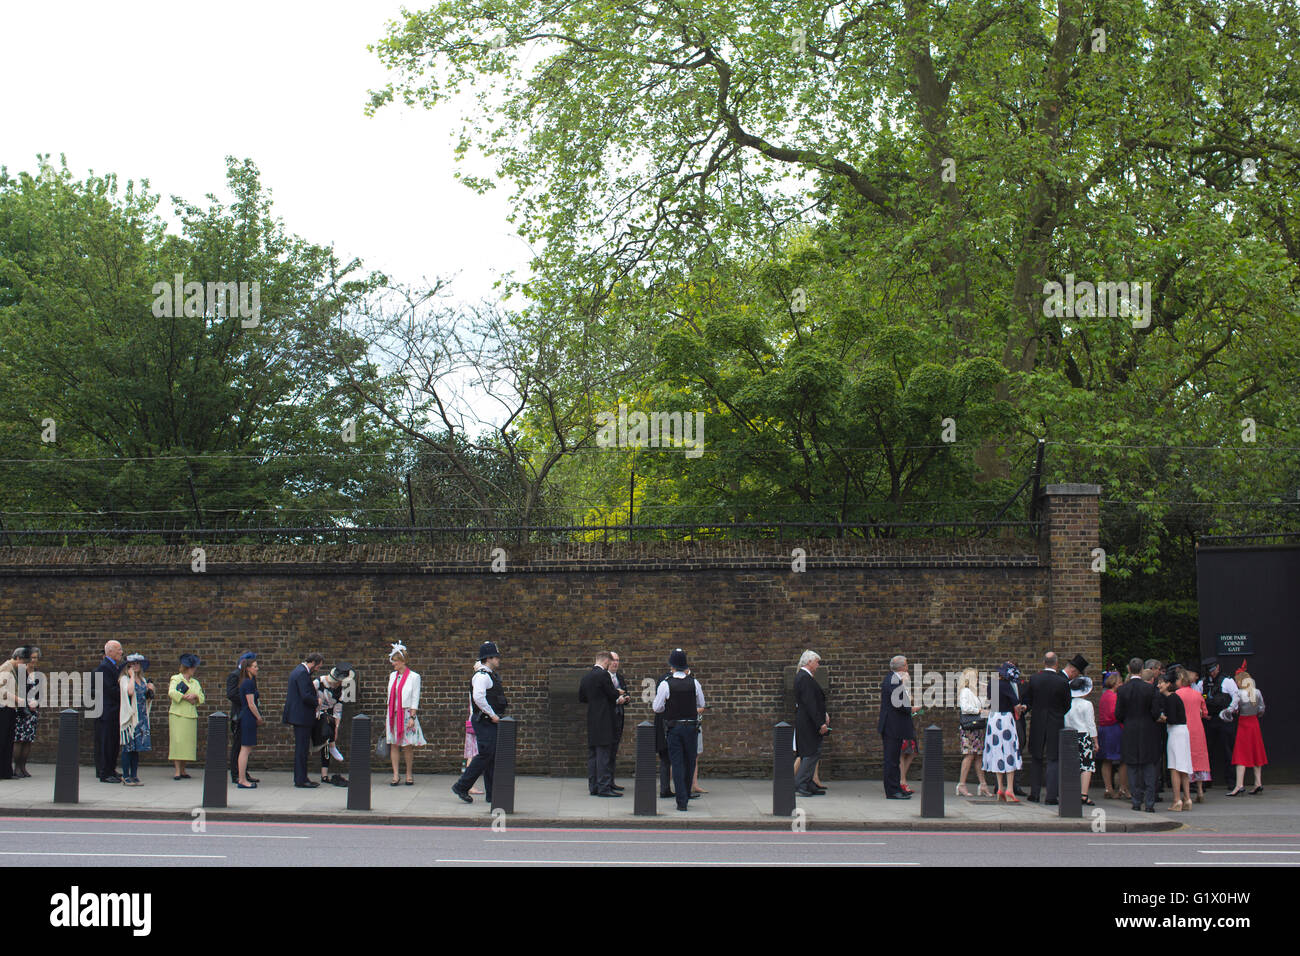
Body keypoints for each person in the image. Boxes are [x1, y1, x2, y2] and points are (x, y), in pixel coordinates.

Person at [453, 641, 507, 804]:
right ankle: (462, 786)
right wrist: (492, 714)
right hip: (484, 721)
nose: (498, 659)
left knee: (491, 756)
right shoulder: (482, 677)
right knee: (485, 754)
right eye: (496, 657)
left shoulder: (489, 675)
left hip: (487, 721)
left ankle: (492, 793)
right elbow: (478, 697)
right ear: (488, 658)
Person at [651, 648, 705, 812]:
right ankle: (686, 795)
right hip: (691, 727)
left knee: (677, 762)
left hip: (674, 728)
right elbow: (701, 703)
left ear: (672, 665)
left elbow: (657, 708)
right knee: (690, 761)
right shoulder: (694, 682)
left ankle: (681, 801)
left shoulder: (666, 684)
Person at [1023, 651, 1072, 804]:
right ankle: (1051, 796)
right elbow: (1067, 705)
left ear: (1044, 663)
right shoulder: (1062, 682)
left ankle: (1035, 793)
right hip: (1055, 722)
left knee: (1036, 757)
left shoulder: (1035, 679)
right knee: (1053, 758)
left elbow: (1028, 701)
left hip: (1038, 721)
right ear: (1056, 664)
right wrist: (1057, 714)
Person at [1115, 658, 1161, 812]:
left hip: (1130, 729)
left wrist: (1128, 720)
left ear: (1129, 669)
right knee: (1148, 765)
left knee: (1132, 766)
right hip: (1148, 729)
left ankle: (1136, 801)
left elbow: (1118, 714)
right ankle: (1149, 803)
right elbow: (1155, 713)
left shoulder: (1122, 690)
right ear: (1142, 670)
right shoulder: (1150, 689)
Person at [579, 651, 625, 796]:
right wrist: (618, 692)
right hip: (605, 719)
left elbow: (582, 697)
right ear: (606, 662)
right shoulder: (603, 675)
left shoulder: (586, 677)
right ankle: (604, 787)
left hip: (592, 718)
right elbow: (611, 694)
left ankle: (593, 786)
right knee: (604, 753)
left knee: (593, 754)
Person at [385, 643, 425, 786]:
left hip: (407, 713)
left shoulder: (414, 677)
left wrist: (413, 716)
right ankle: (395, 775)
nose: (393, 663)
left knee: (407, 745)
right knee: (394, 744)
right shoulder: (392, 676)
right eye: (393, 660)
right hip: (393, 714)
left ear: (402, 661)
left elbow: (415, 696)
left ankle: (409, 774)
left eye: (395, 661)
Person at [878, 655, 917, 799]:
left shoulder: (893, 680)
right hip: (892, 726)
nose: (907, 667)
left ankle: (897, 788)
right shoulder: (894, 681)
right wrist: (912, 709)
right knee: (891, 760)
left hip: (893, 726)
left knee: (894, 759)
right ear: (901, 667)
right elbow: (900, 703)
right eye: (906, 665)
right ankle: (892, 790)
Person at [984, 661, 1024, 801]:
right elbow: (1016, 704)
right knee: (1009, 752)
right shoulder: (1007, 685)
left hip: (993, 719)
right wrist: (1021, 708)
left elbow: (990, 700)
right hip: (1005, 719)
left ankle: (1000, 787)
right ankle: (1010, 789)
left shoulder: (992, 684)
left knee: (996, 752)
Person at [283, 652, 324, 788]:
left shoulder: (299, 671)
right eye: (318, 666)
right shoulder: (302, 673)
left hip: (300, 716)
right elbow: (305, 696)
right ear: (313, 663)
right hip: (301, 717)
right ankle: (301, 779)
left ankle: (301, 777)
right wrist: (317, 701)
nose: (318, 669)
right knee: (302, 750)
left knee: (302, 749)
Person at [1223, 670, 1266, 796]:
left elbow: (1232, 709)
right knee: (1256, 752)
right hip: (1254, 724)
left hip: (1243, 725)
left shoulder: (1239, 693)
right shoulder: (1257, 692)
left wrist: (1226, 713)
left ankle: (1239, 785)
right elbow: (1262, 709)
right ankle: (1258, 783)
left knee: (1241, 754)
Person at [793, 651, 829, 797]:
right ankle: (801, 783)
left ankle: (808, 783)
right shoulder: (804, 678)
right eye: (816, 662)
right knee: (810, 753)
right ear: (809, 662)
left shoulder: (804, 677)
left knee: (814, 752)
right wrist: (820, 723)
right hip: (808, 723)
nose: (818, 665)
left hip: (807, 721)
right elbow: (810, 704)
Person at [1200, 658, 1238, 788]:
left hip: (1224, 719)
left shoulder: (1227, 681)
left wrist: (1229, 711)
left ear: (1218, 667)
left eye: (1213, 670)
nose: (1212, 673)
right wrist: (1203, 713)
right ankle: (1206, 781)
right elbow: (1199, 699)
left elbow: (1236, 697)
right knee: (1207, 751)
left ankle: (1231, 781)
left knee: (1228, 750)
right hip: (1209, 719)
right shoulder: (1203, 682)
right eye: (1209, 671)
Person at [1156, 671, 1192, 811]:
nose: (1159, 685)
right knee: (1184, 767)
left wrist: (1161, 718)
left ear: (1168, 684)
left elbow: (1171, 719)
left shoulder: (1170, 699)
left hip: (1175, 733)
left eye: (1161, 682)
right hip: (1182, 732)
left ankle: (1177, 800)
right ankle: (1187, 798)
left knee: (1175, 767)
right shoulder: (1176, 698)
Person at [313, 663, 352, 786]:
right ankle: (332, 746)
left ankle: (324, 774)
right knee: (326, 722)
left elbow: (338, 711)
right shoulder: (318, 683)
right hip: (315, 714)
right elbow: (307, 698)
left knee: (328, 731)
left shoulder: (341, 690)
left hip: (328, 720)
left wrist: (336, 729)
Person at [1175, 668, 1210, 803]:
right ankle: (1200, 791)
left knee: (1185, 758)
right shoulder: (1197, 694)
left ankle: (1186, 793)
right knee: (1198, 757)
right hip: (1198, 729)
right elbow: (1205, 713)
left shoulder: (1177, 694)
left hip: (1183, 728)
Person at [167, 654, 205, 779]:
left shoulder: (195, 682)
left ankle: (183, 769)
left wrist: (195, 696)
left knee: (187, 744)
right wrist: (184, 697)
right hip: (178, 715)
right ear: (188, 668)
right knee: (178, 742)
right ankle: (177, 770)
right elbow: (172, 692)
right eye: (193, 668)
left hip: (190, 715)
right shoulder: (176, 679)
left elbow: (202, 697)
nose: (194, 670)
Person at [956, 667, 991, 797]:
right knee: (969, 755)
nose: (976, 679)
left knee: (979, 756)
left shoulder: (973, 692)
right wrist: (979, 711)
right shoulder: (965, 691)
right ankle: (962, 784)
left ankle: (983, 785)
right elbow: (965, 708)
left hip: (976, 728)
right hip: (969, 729)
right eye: (974, 677)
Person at [119, 653, 154, 786]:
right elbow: (130, 692)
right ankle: (126, 776)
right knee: (128, 747)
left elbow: (146, 699)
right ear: (128, 666)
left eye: (137, 664)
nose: (135, 666)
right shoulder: (124, 679)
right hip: (131, 718)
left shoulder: (144, 680)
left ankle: (134, 775)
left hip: (141, 717)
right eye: (132, 664)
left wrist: (150, 691)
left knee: (136, 748)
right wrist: (132, 676)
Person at [94, 640, 125, 783]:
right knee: (107, 743)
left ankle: (111, 769)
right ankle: (105, 773)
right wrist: (127, 692)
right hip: (107, 712)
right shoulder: (104, 668)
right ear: (110, 651)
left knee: (113, 742)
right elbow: (111, 690)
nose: (121, 652)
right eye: (118, 650)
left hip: (113, 712)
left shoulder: (113, 667)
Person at [1065, 675, 1098, 805]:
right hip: (1084, 735)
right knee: (1086, 765)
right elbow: (1091, 724)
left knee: (1070, 765)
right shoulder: (1087, 704)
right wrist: (1095, 740)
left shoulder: (1067, 703)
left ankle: (1069, 793)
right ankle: (1083, 795)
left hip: (1068, 735)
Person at [1097, 671, 1129, 800]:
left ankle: (1108, 788)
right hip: (1115, 729)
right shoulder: (1114, 697)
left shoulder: (1104, 696)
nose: (1121, 684)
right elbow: (1116, 714)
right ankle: (1122, 787)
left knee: (1106, 759)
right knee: (1123, 759)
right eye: (1120, 682)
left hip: (1104, 730)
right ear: (1115, 684)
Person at [10, 647, 41, 778]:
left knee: (28, 740)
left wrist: (37, 703)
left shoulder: (37, 674)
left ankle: (23, 767)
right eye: (31, 657)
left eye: (35, 657)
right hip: (21, 710)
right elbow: (18, 691)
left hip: (33, 711)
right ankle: (16, 767)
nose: (33, 660)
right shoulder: (21, 672)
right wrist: (27, 704)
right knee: (19, 740)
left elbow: (39, 692)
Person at [226, 652, 256, 784]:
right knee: (238, 746)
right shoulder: (235, 675)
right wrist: (246, 701)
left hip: (246, 713)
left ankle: (244, 772)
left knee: (245, 746)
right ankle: (236, 773)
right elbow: (231, 694)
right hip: (239, 714)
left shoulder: (249, 677)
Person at [236, 655, 262, 789]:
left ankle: (242, 778)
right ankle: (242, 779)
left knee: (246, 748)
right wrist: (259, 717)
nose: (257, 668)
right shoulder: (248, 683)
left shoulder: (247, 682)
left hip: (246, 717)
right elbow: (251, 704)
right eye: (255, 666)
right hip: (248, 717)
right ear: (248, 669)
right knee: (245, 749)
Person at [0, 649, 23, 780]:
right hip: (4, 708)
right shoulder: (6, 668)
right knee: (3, 741)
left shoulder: (12, 668)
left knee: (8, 741)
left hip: (9, 708)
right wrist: (17, 699)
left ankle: (5, 771)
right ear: (18, 658)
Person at [462, 661, 485, 794]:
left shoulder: (474, 682)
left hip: (473, 721)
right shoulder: (478, 683)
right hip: (476, 722)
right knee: (473, 755)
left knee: (473, 754)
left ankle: (467, 783)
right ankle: (468, 784)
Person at [608, 651, 628, 787]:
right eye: (613, 660)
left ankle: (611, 780)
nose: (615, 663)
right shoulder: (603, 677)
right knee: (606, 751)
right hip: (607, 718)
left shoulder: (620, 677)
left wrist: (626, 699)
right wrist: (616, 700)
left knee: (614, 750)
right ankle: (605, 781)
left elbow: (626, 691)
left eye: (618, 660)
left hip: (619, 717)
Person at [653, 668, 674, 798]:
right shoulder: (668, 681)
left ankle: (665, 788)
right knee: (668, 759)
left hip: (662, 723)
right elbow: (657, 707)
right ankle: (666, 789)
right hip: (668, 724)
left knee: (665, 759)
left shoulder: (663, 679)